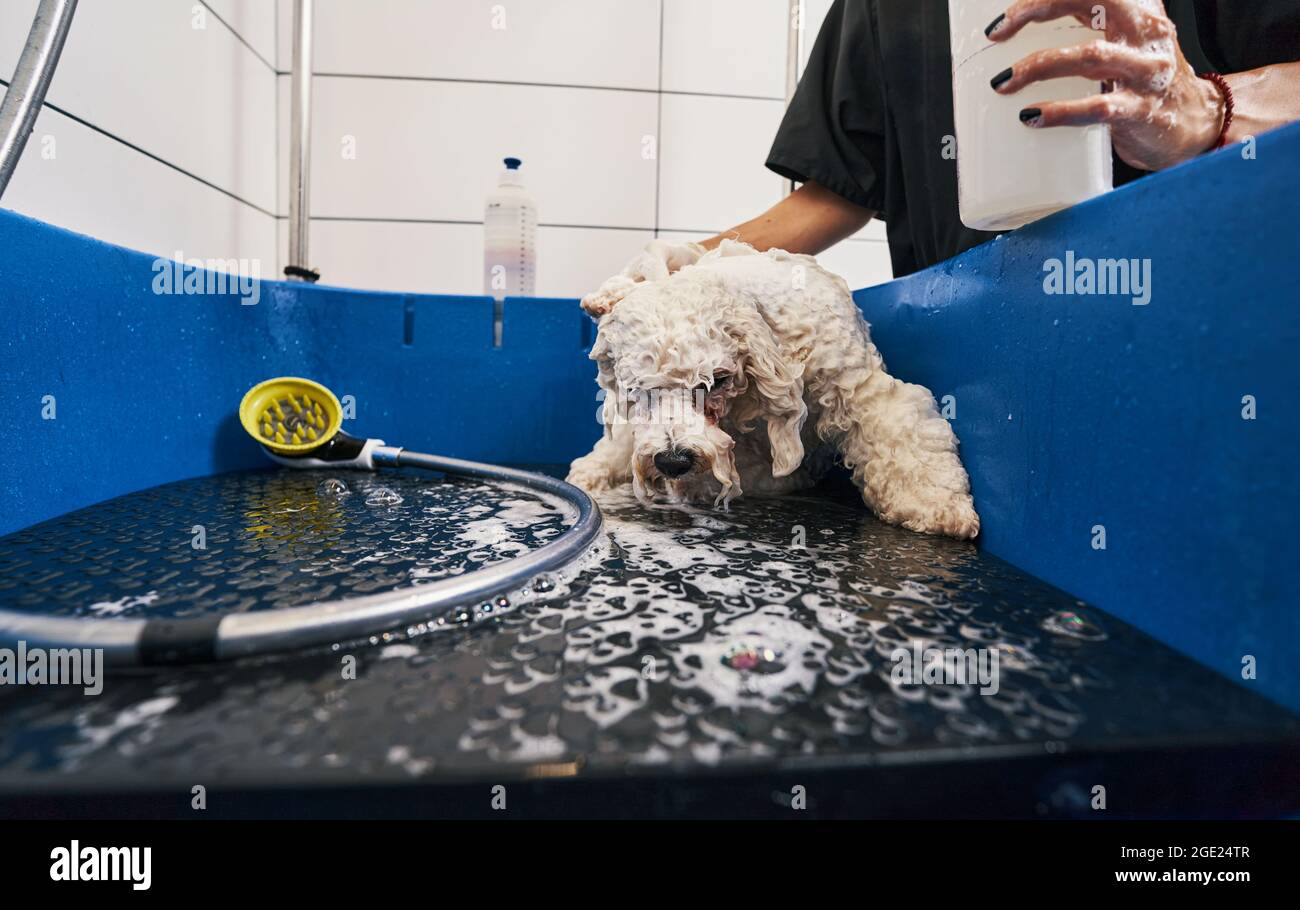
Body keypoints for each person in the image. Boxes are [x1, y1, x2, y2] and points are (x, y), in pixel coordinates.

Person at [584, 0, 1300, 308]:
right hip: (972, 378)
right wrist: (672, 278)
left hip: (1202, 341)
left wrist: (1204, 110)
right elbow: (833, 196)